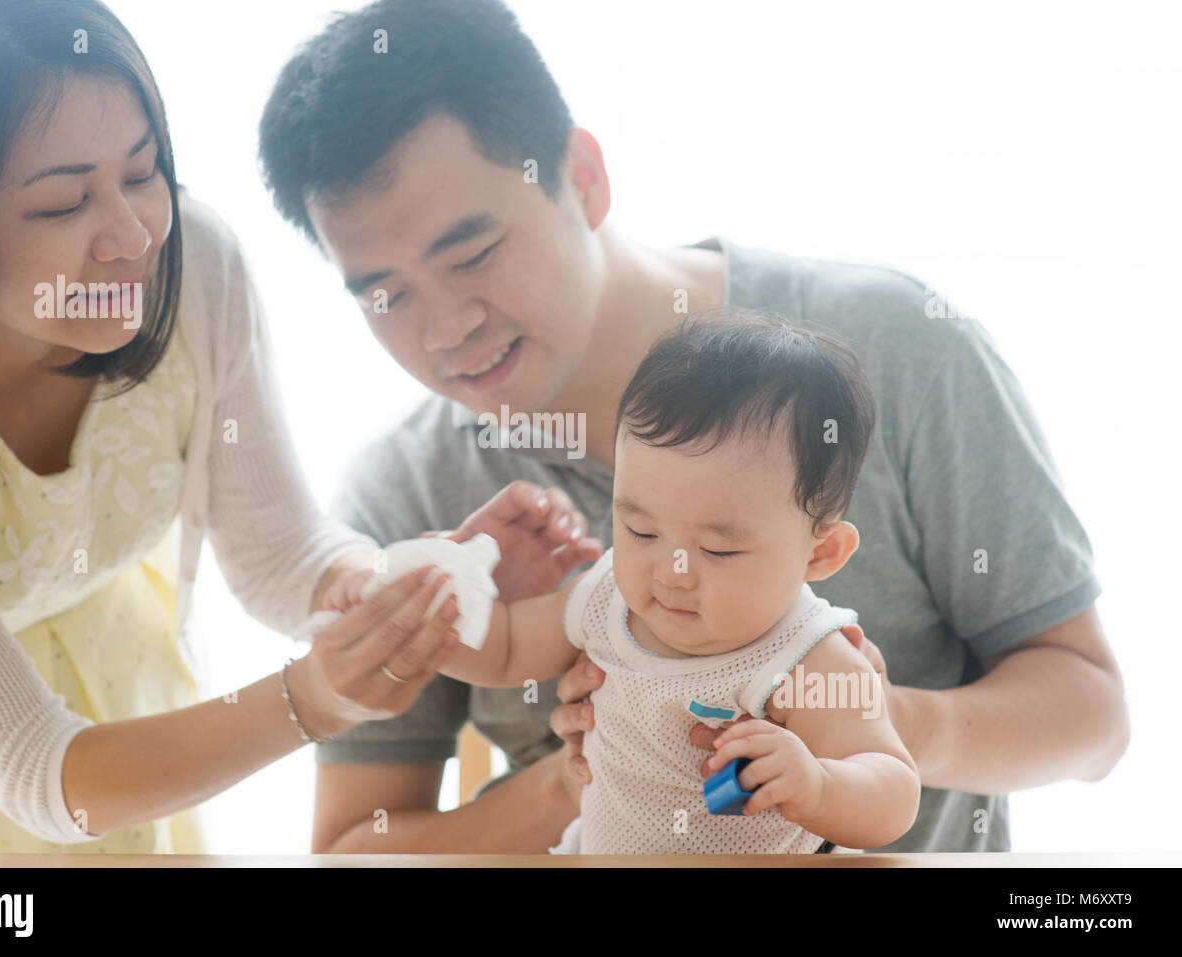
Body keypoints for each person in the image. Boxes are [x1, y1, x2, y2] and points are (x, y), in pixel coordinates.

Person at [258, 0, 1128, 854]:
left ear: (584, 179)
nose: (445, 330)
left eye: (474, 254)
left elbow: (1093, 719)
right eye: (386, 293)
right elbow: (353, 849)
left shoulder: (898, 347)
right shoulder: (406, 491)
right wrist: (586, 769)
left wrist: (864, 725)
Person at [0, 0, 577, 854]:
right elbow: (41, 769)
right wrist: (313, 698)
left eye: (143, 173)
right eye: (64, 203)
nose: (135, 236)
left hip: (124, 701)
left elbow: (279, 551)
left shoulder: (191, 267)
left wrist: (410, 585)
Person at [338, 311, 922, 853]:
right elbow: (507, 648)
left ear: (822, 552)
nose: (672, 573)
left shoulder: (807, 659)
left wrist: (817, 784)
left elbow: (893, 790)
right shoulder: (606, 600)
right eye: (640, 531)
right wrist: (435, 596)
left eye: (718, 549)